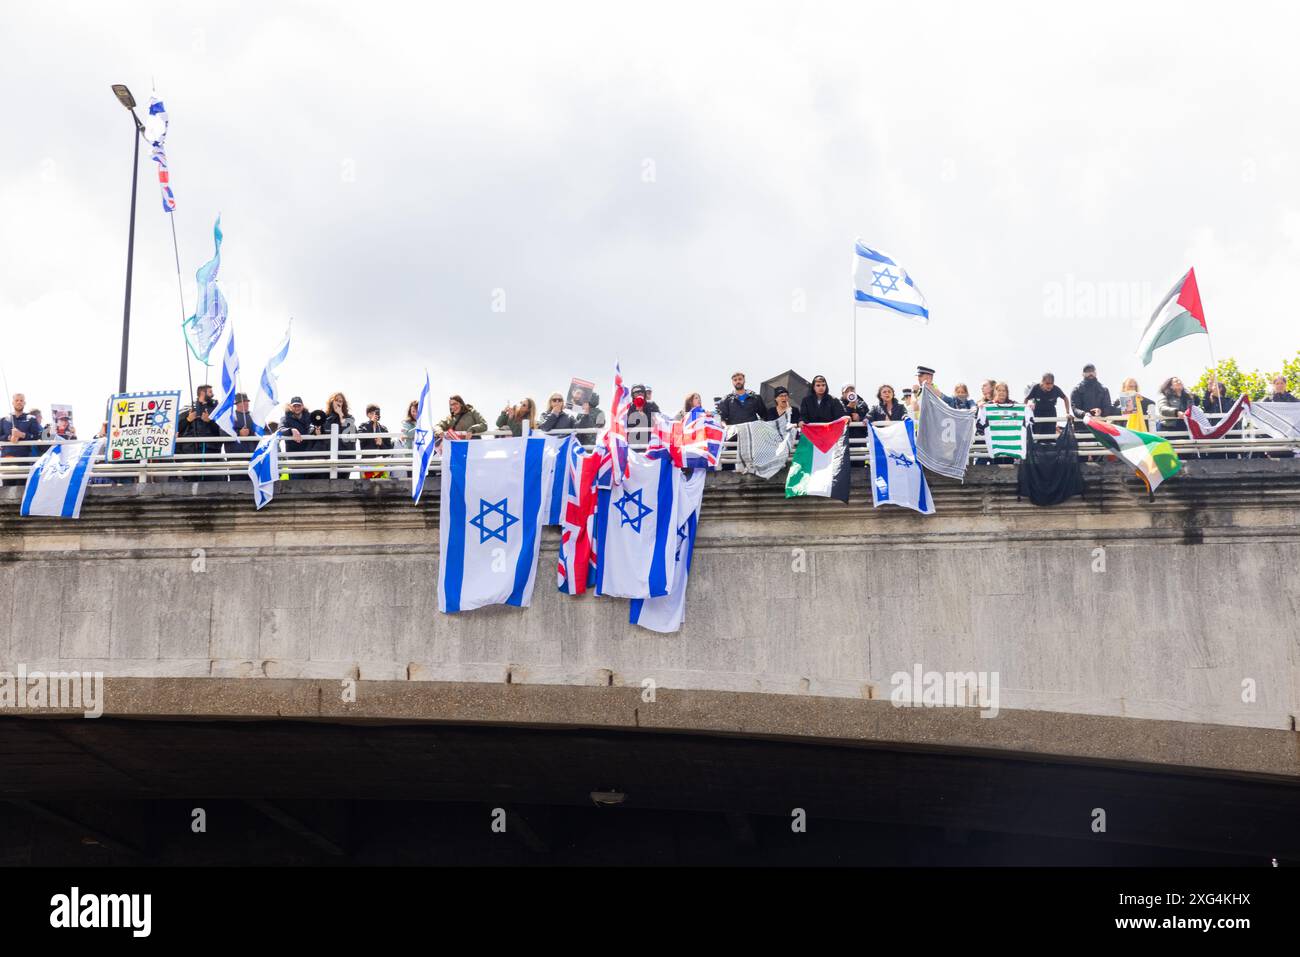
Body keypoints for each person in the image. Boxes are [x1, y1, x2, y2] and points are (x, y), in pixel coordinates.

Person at [178, 384, 225, 480]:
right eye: (210, 392)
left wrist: (209, 421)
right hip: (192, 452)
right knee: (191, 479)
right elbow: (177, 428)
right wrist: (188, 419)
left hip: (212, 451)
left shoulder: (217, 410)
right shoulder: (188, 409)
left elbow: (222, 429)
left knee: (213, 479)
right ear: (202, 393)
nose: (213, 394)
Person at [280, 396, 315, 476]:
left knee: (311, 481)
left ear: (302, 406)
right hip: (293, 457)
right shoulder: (285, 418)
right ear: (290, 407)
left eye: (299, 405)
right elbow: (280, 430)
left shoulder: (310, 417)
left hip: (308, 455)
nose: (297, 408)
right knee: (295, 481)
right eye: (294, 406)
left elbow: (314, 427)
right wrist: (291, 430)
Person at [357, 403, 392, 479]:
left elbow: (389, 451)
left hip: (381, 464)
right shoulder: (363, 426)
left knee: (382, 488)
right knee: (366, 488)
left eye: (376, 413)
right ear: (368, 414)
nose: (375, 415)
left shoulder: (384, 429)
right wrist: (371, 422)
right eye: (372, 413)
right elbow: (360, 437)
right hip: (367, 463)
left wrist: (381, 444)